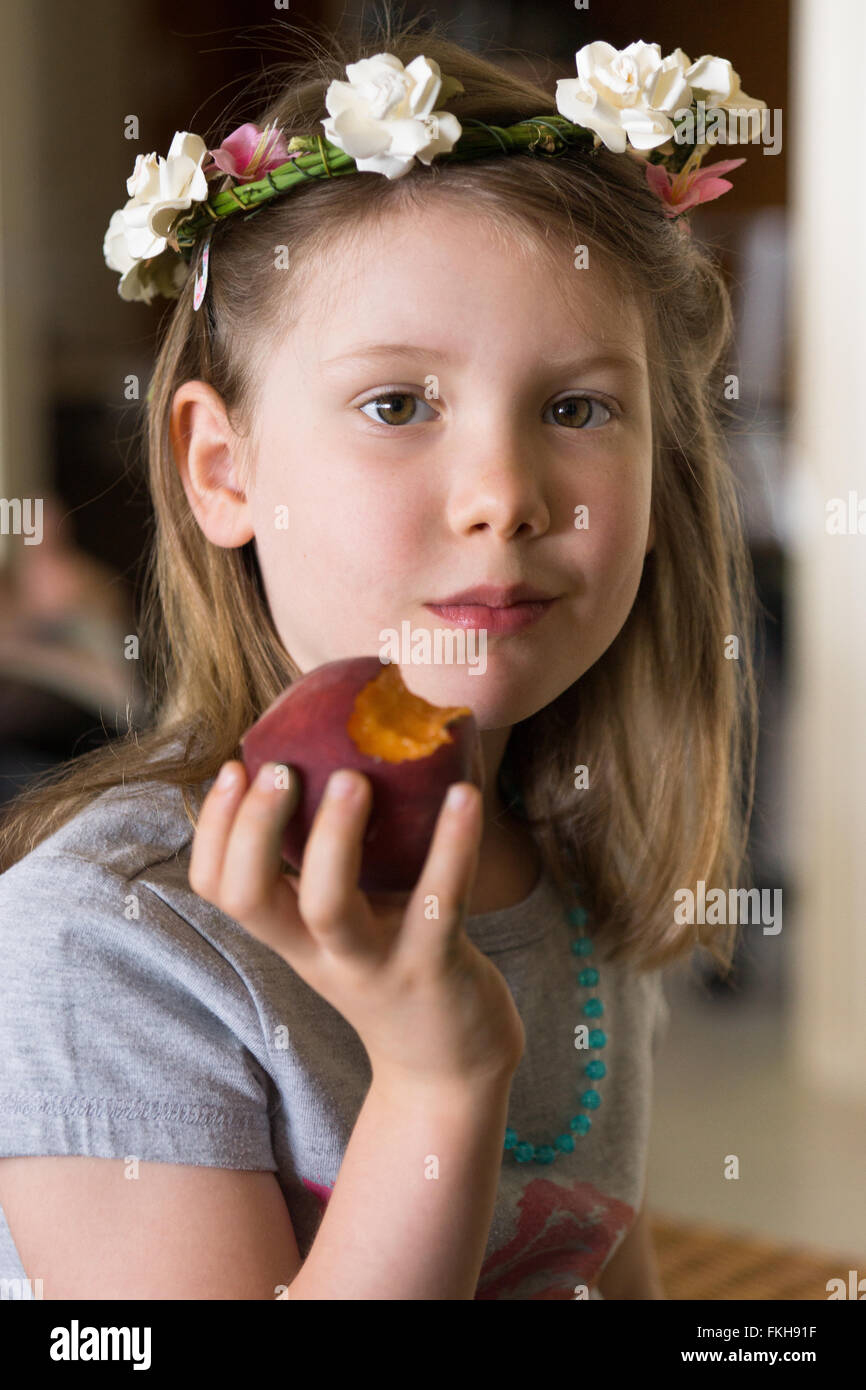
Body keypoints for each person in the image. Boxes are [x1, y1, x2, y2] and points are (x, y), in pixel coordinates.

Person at [0, 18, 761, 1300]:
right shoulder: (106, 943)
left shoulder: (571, 877)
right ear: (223, 468)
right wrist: (438, 1079)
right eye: (396, 404)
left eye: (576, 407)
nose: (502, 496)